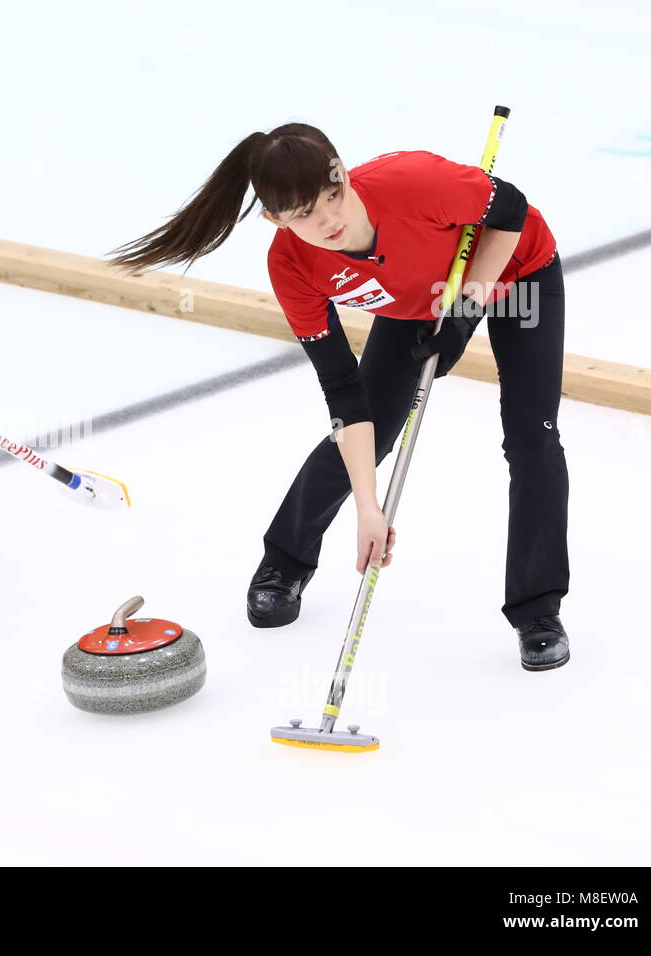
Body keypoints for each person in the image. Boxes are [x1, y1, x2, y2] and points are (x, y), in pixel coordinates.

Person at [109, 123, 570, 671]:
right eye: (304, 214)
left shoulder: (416, 182)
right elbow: (344, 396)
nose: (329, 219)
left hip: (518, 271)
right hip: (413, 301)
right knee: (368, 428)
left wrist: (469, 306)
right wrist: (369, 508)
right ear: (274, 219)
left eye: (335, 196)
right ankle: (286, 561)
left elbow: (511, 209)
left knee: (531, 437)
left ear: (346, 174)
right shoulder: (293, 266)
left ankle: (537, 610)